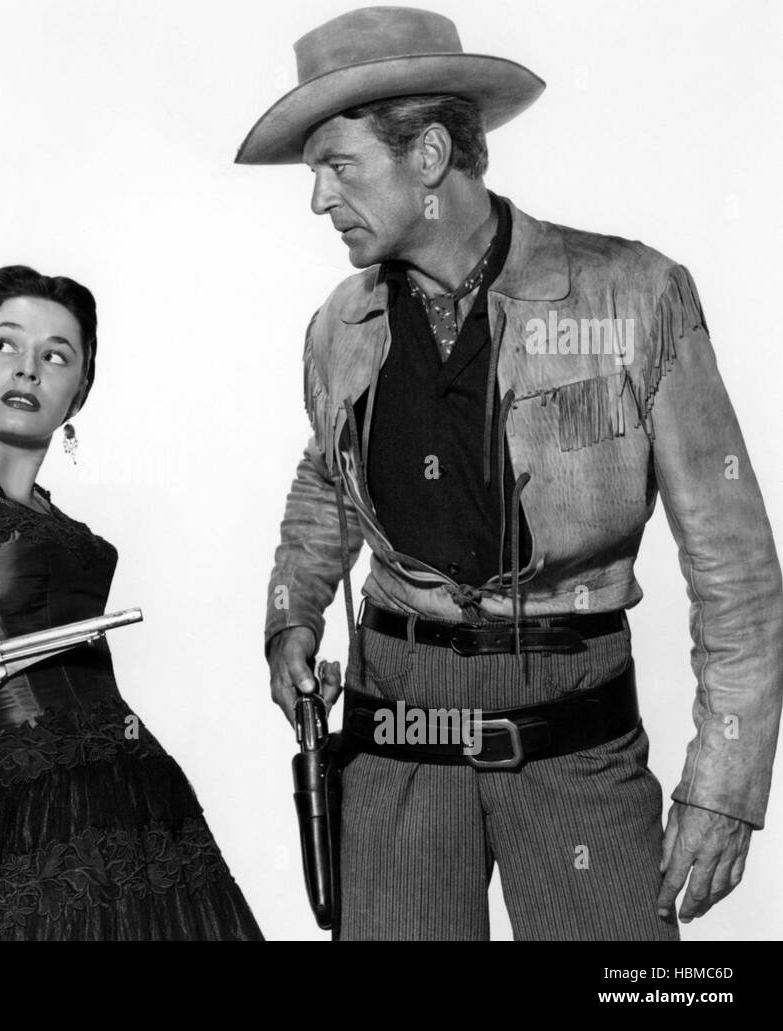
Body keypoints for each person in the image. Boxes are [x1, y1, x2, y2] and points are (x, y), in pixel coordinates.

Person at [237, 6, 783, 940]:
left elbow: (735, 569)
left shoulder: (634, 296)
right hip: (395, 737)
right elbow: (324, 481)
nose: (319, 199)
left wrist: (726, 788)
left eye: (338, 166)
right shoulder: (339, 324)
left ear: (431, 155)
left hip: (576, 742)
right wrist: (292, 610)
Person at [0, 265, 264, 940]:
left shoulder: (60, 521)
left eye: (56, 356)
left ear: (79, 393)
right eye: (5, 345)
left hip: (145, 806)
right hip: (15, 830)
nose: (28, 370)